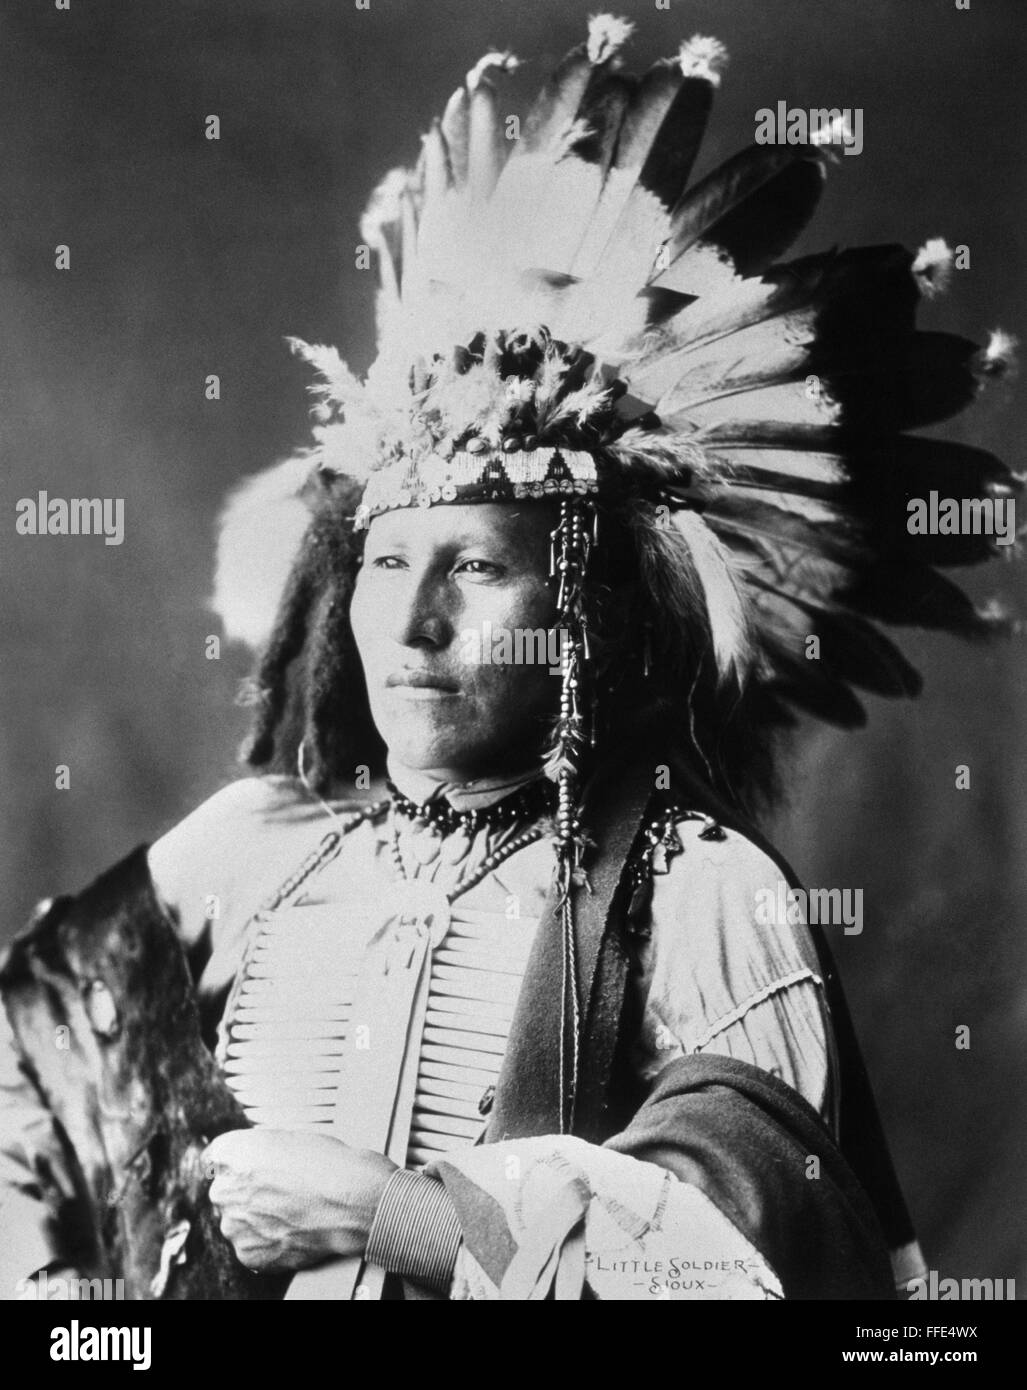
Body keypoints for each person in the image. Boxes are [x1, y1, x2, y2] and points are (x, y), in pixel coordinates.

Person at [1, 16, 1016, 1301]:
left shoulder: (699, 900)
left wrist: (394, 1213)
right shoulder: (249, 852)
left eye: (476, 567)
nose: (413, 620)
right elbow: (30, 1070)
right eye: (382, 564)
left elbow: (766, 1264)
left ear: (592, 611)